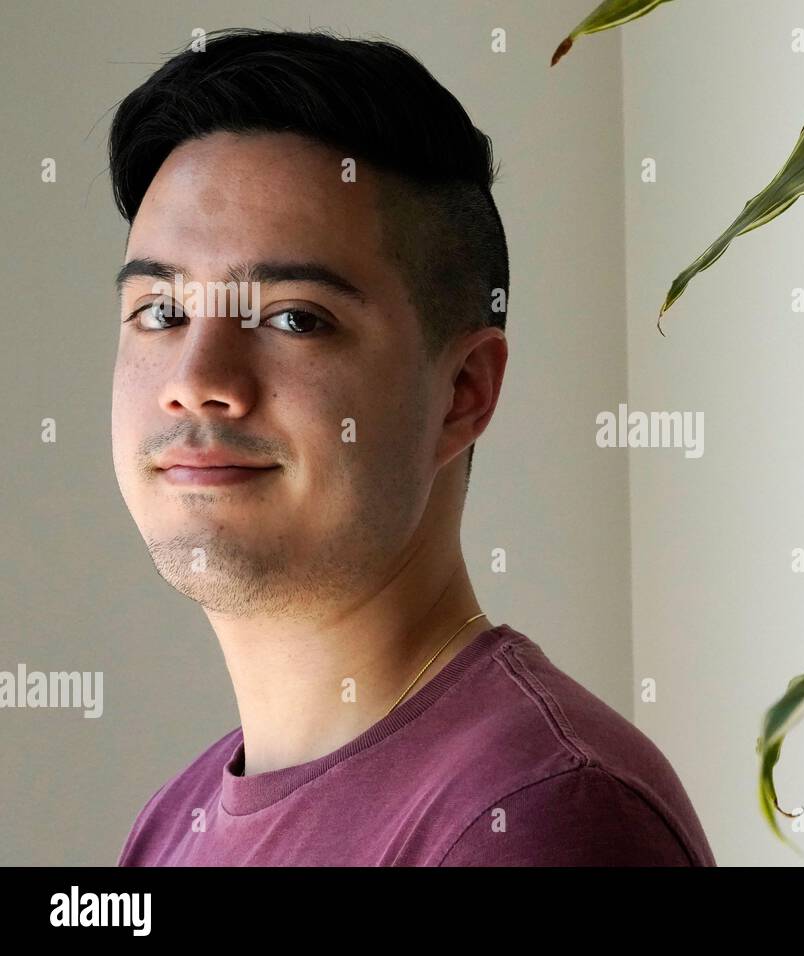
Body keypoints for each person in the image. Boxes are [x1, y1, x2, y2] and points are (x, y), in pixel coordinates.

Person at [110, 27, 714, 866]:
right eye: (162, 313)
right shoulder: (173, 824)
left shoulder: (537, 817)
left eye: (294, 318)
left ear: (463, 392)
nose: (197, 378)